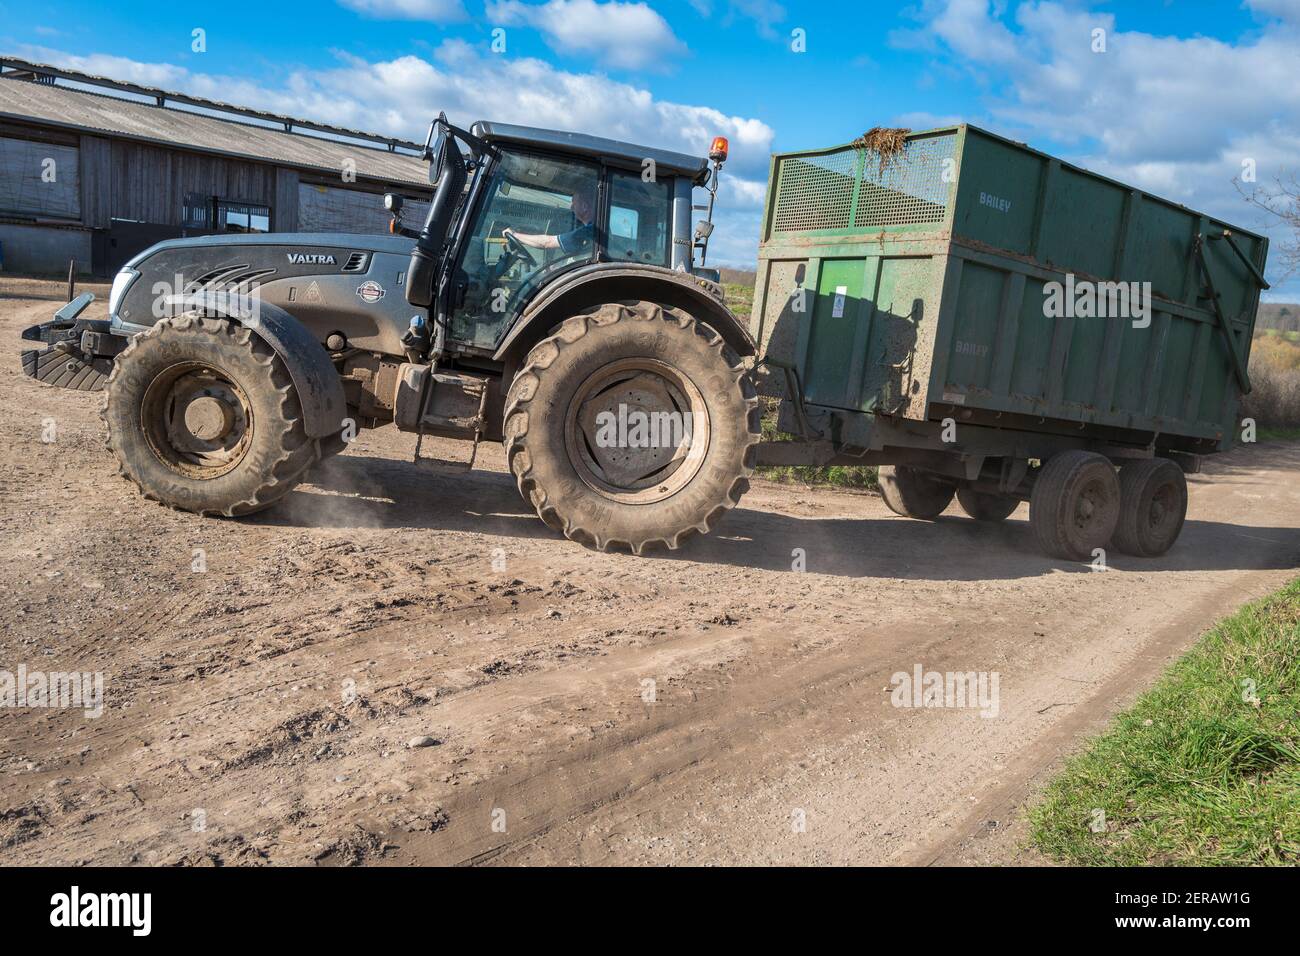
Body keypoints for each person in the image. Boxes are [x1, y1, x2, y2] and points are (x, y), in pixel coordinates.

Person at [502, 189, 595, 257]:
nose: (571, 207)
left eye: (574, 203)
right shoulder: (592, 232)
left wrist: (514, 235)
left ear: (584, 206)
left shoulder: (588, 232)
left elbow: (547, 243)